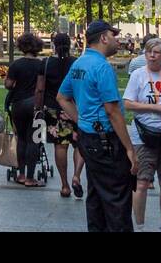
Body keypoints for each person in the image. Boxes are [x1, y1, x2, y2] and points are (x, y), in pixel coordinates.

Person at [56, 20, 137, 232]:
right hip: (106, 141)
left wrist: (82, 121)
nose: (117, 39)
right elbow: (112, 111)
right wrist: (129, 148)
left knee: (96, 195)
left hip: (88, 138)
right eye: (114, 35)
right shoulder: (102, 67)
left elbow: (62, 97)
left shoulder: (79, 64)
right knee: (117, 198)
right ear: (103, 38)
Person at [123, 37, 161, 231]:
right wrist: (155, 108)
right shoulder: (138, 75)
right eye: (148, 51)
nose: (151, 55)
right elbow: (127, 103)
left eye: (156, 52)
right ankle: (139, 226)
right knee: (141, 183)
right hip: (142, 137)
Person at [35, 32, 83, 199]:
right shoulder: (77, 63)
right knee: (79, 144)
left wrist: (38, 107)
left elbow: (40, 88)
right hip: (75, 108)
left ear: (53, 45)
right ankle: (77, 175)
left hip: (54, 109)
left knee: (60, 146)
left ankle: (64, 185)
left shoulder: (46, 63)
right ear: (70, 45)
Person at [4, 32, 45, 187]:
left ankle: (20, 174)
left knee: (21, 139)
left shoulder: (16, 64)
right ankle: (30, 177)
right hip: (36, 105)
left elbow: (9, 85)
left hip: (18, 104)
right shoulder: (42, 64)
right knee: (34, 140)